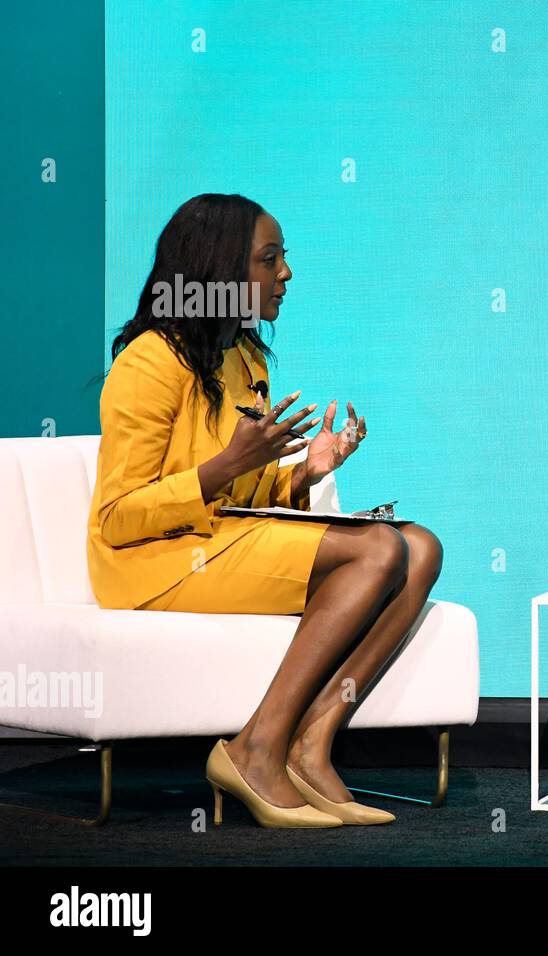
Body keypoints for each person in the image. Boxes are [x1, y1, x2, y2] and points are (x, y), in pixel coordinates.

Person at [88, 193, 444, 828]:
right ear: (218, 270)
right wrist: (226, 465)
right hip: (152, 563)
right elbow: (117, 516)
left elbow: (236, 494)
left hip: (218, 538)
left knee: (419, 547)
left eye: (285, 258)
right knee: (381, 549)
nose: (285, 273)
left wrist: (305, 472)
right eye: (269, 259)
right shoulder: (148, 362)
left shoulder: (244, 356)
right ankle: (255, 748)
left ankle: (313, 742)